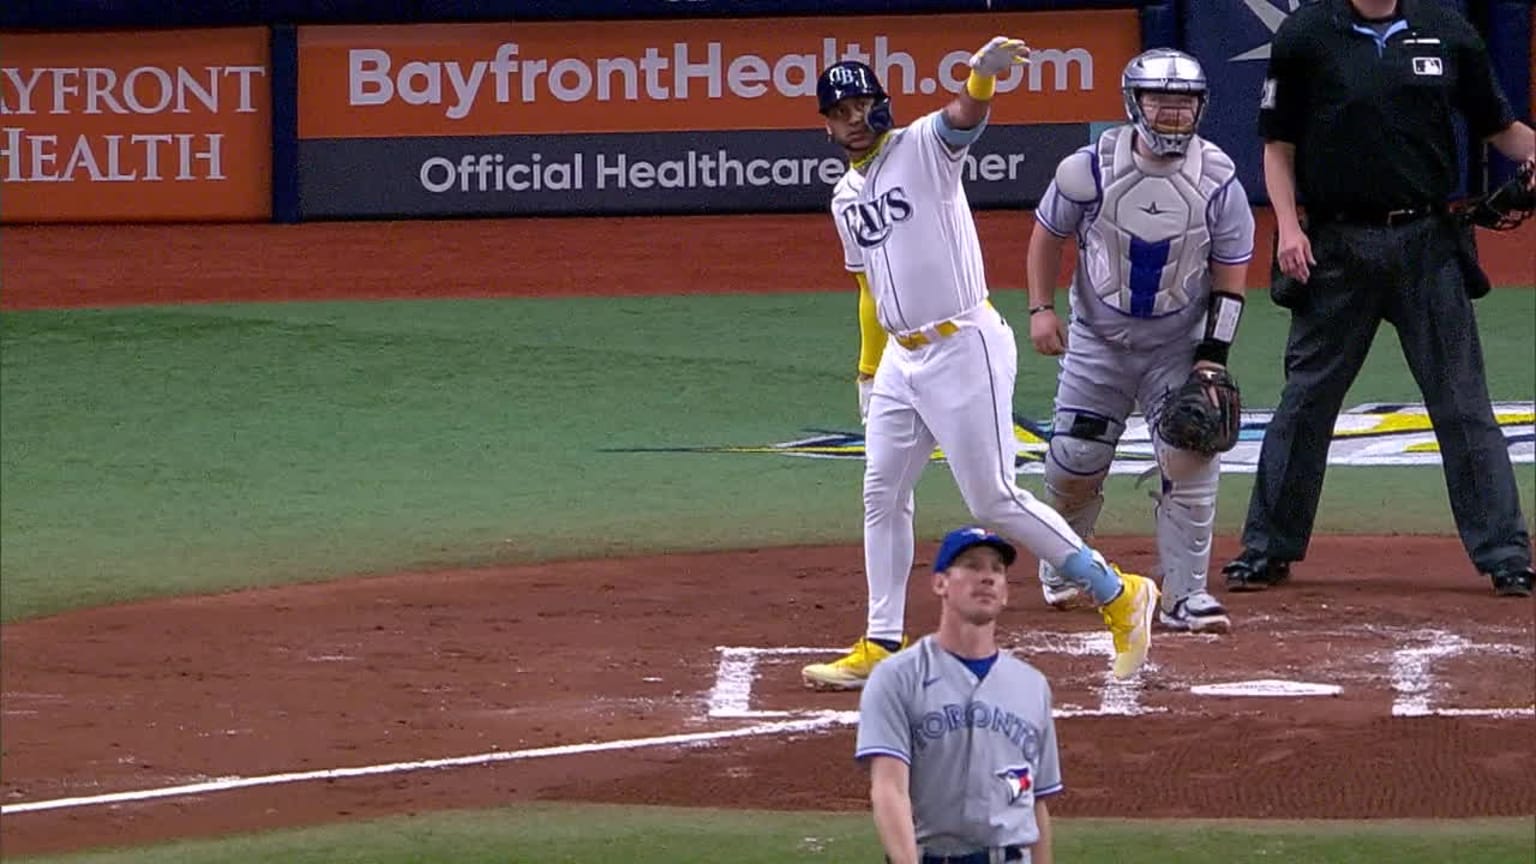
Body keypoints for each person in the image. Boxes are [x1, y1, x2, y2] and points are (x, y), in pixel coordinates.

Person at [798, 38, 1160, 692]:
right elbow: (868, 290)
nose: (853, 118)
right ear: (825, 126)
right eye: (839, 111)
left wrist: (980, 77)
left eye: (862, 104)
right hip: (901, 363)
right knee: (881, 494)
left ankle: (1120, 593)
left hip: (965, 344)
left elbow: (964, 115)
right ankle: (882, 640)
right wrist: (867, 371)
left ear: (883, 105)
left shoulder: (921, 148)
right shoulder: (845, 198)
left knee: (992, 495)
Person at [1224, 0, 1536, 597]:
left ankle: (1505, 555)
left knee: (1462, 403)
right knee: (1306, 401)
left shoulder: (1447, 30)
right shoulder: (1307, 34)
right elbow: (1278, 145)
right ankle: (1267, 549)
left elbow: (1501, 128)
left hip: (1427, 244)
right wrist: (1288, 228)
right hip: (1335, 247)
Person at [1023, 49, 1256, 633]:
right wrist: (1040, 309)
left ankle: (1186, 594)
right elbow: (1046, 237)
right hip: (1097, 342)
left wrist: (1212, 356)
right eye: (1161, 102)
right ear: (1134, 103)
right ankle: (1065, 566)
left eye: (1185, 104)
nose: (1173, 115)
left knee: (1191, 455)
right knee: (1076, 460)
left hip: (1176, 346)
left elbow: (1231, 277)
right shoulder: (1088, 169)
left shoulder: (1220, 180)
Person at [855, 526, 1060, 864]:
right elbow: (889, 789)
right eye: (972, 565)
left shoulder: (1032, 686)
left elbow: (1037, 803)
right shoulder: (897, 678)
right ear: (940, 583)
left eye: (996, 569)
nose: (987, 577)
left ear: (1006, 592)